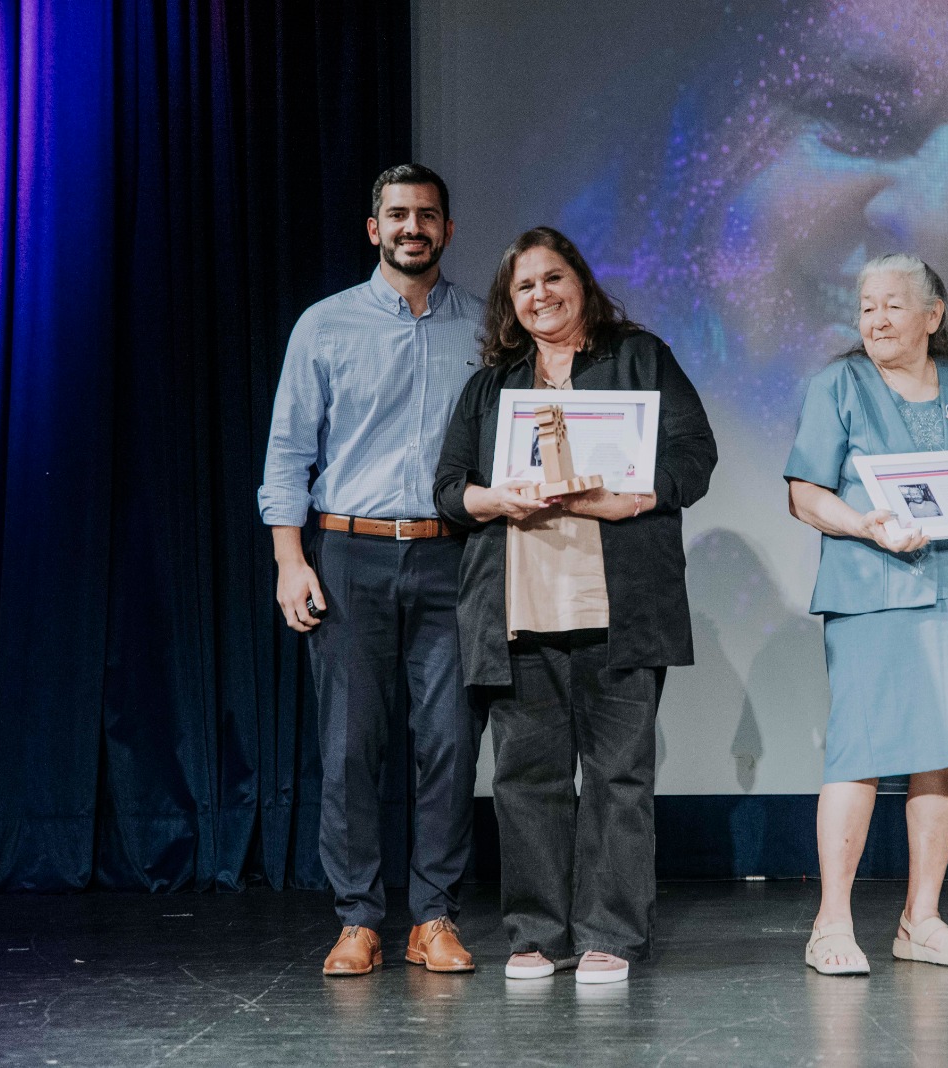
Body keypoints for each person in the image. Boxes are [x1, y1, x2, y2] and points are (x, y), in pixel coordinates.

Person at [432, 226, 716, 984]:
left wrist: (633, 498)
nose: (540, 296)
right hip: (519, 608)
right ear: (509, 302)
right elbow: (448, 487)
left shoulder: (638, 358)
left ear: (581, 283)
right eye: (524, 286)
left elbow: (695, 454)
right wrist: (493, 498)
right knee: (528, 782)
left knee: (619, 779)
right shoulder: (492, 385)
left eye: (553, 279)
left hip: (620, 607)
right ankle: (534, 935)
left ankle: (612, 935)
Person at [258, 164, 486, 977]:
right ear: (373, 228)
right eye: (397, 214)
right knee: (351, 747)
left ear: (448, 231)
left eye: (427, 214)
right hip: (347, 553)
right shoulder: (324, 326)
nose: (412, 227)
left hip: (451, 554)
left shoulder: (486, 329)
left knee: (450, 744)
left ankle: (434, 918)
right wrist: (291, 561)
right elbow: (287, 453)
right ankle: (358, 919)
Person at [784, 253, 948, 975]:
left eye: (893, 304)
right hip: (871, 588)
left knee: (941, 758)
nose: (877, 319)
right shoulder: (839, 384)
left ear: (933, 315)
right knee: (857, 752)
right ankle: (831, 923)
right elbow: (805, 492)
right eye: (866, 306)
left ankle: (920, 920)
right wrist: (866, 525)